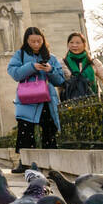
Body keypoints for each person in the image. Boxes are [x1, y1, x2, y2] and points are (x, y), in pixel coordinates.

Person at [8, 26, 67, 173]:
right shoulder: (20, 55)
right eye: (32, 41)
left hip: (46, 99)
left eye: (38, 41)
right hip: (27, 99)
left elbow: (60, 80)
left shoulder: (51, 58)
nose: (36, 44)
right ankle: (25, 162)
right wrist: (32, 67)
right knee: (25, 131)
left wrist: (50, 70)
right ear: (26, 41)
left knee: (49, 130)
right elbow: (14, 73)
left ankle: (51, 162)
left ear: (43, 40)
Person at [62, 32, 103, 102]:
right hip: (71, 105)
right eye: (71, 42)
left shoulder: (94, 62)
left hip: (93, 103)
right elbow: (61, 87)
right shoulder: (62, 63)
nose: (74, 45)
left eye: (78, 43)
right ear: (68, 45)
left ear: (84, 45)